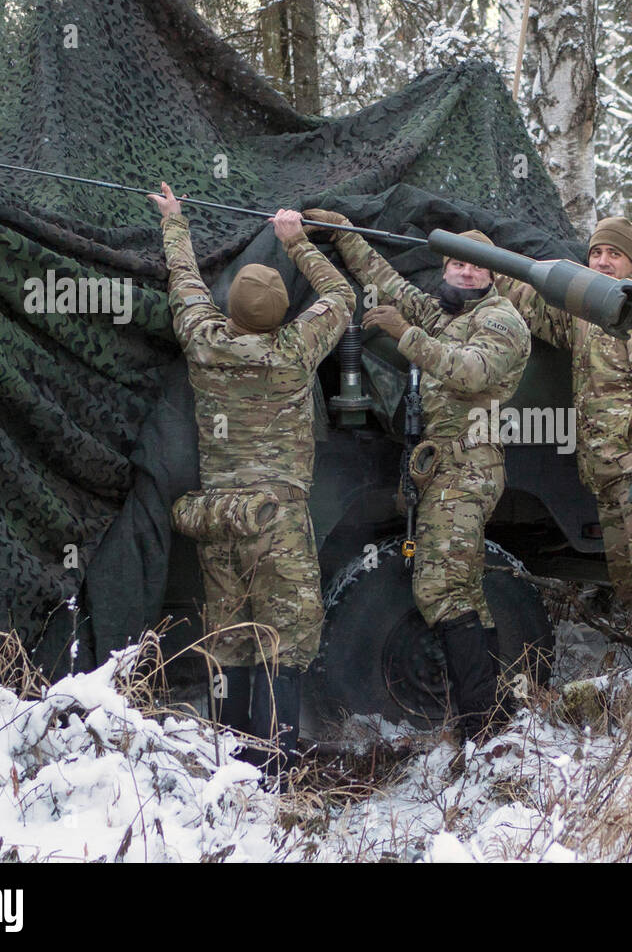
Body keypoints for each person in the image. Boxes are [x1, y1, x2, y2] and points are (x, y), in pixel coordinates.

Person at [302, 209, 531, 744]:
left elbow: (470, 370)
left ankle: (482, 725)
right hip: (447, 467)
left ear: (491, 274)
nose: (465, 273)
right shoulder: (450, 316)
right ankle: (492, 719)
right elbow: (391, 285)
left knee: (440, 588)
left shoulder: (499, 320)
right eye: (455, 264)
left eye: (475, 266)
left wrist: (404, 335)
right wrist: (343, 232)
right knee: (462, 590)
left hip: (468, 466)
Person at [149, 183, 354, 771]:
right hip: (277, 520)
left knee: (230, 642)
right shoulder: (294, 352)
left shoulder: (204, 342)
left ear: (228, 308)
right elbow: (341, 295)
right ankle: (277, 768)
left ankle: (231, 767)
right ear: (282, 316)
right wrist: (296, 243)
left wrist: (174, 220)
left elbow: (184, 284)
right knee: (283, 646)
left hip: (219, 517)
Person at [497, 217, 632, 656]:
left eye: (614, 255)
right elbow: (531, 302)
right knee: (630, 587)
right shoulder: (587, 312)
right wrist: (480, 258)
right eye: (596, 254)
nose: (603, 263)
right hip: (606, 477)